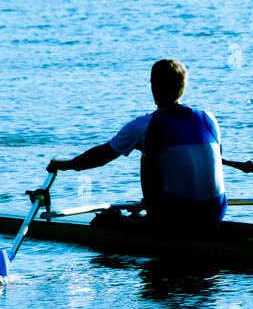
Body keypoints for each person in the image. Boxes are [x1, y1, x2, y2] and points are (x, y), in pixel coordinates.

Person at [47, 59, 225, 229]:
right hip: (214, 216)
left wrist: (64, 165)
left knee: (104, 220)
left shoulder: (145, 125)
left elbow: (100, 157)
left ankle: (154, 219)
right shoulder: (209, 119)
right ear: (183, 86)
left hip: (175, 219)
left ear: (154, 86)